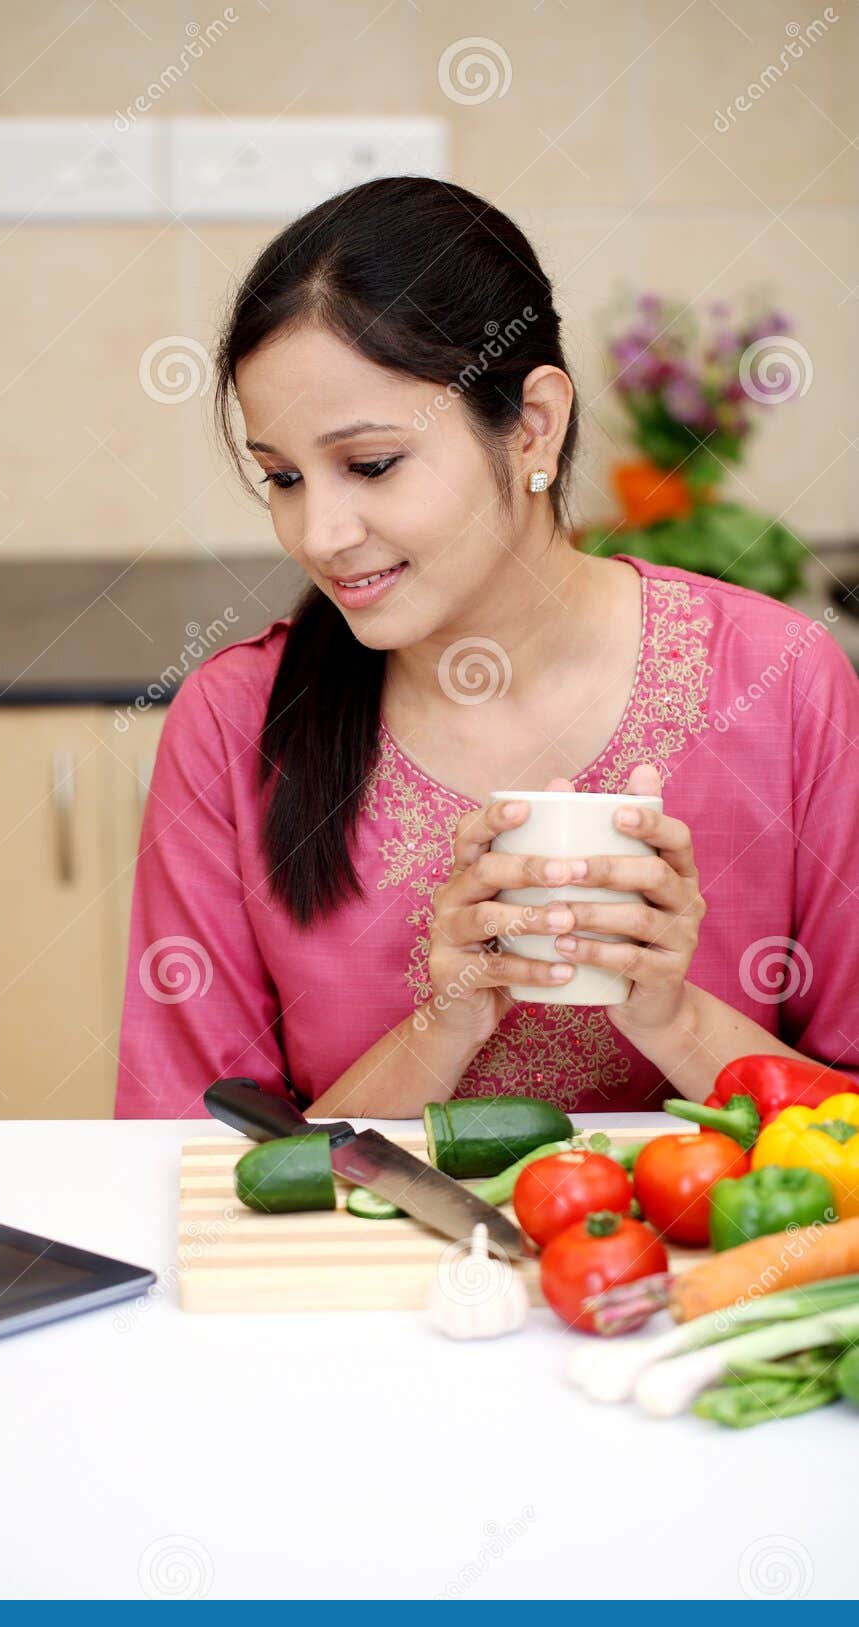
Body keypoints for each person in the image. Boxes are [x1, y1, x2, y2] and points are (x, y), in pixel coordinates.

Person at [115, 176, 859, 1122]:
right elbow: (194, 1160)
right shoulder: (233, 726)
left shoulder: (781, 686)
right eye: (284, 477)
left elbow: (847, 1136)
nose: (321, 533)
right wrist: (443, 1023)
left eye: (371, 465)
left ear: (533, 425)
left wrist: (671, 1017)